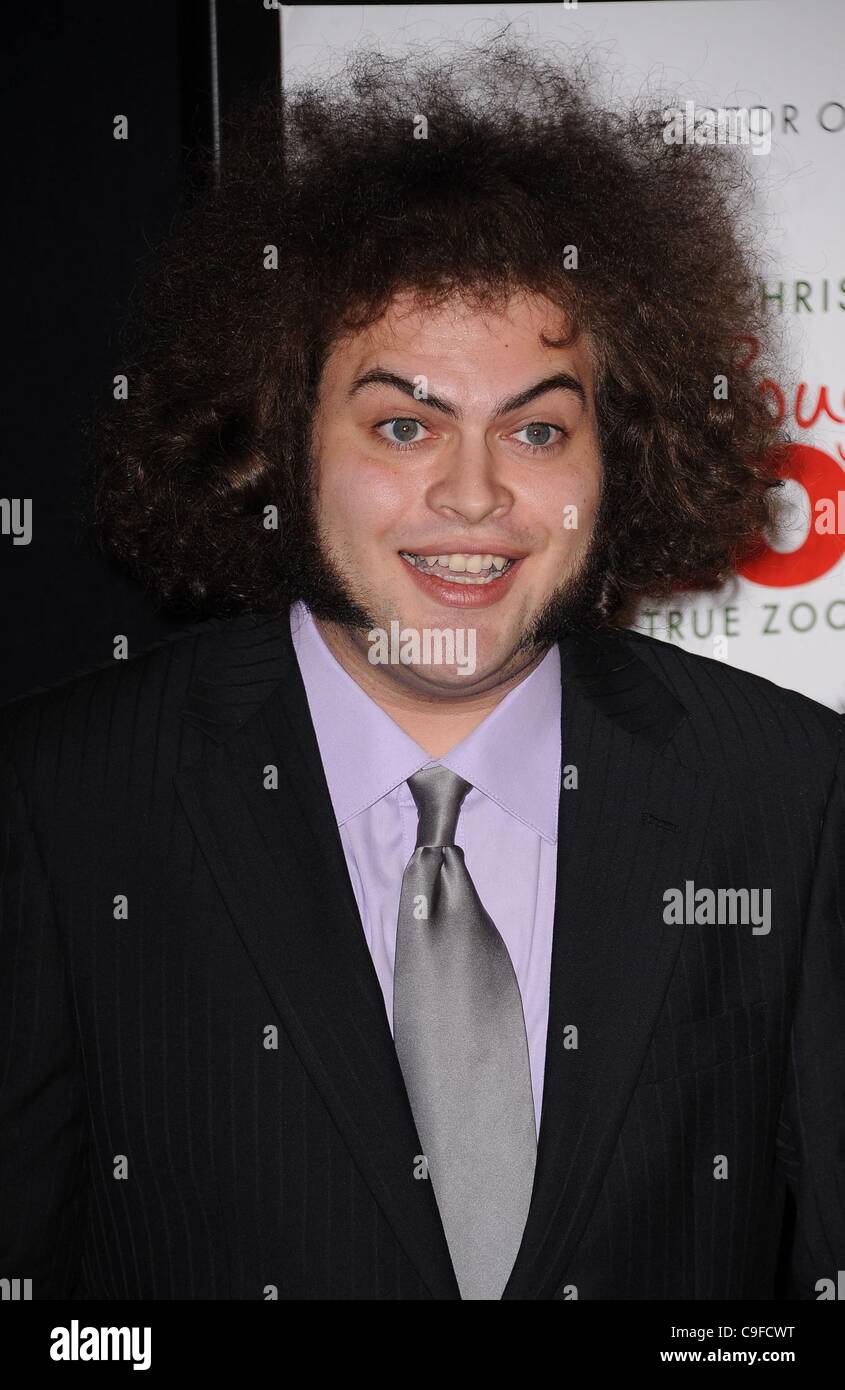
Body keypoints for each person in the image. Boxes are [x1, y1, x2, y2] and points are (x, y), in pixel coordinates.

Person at [1, 40, 842, 1301]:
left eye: (537, 429)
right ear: (278, 439)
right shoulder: (65, 801)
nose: (472, 494)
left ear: (620, 457)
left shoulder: (784, 792)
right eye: (404, 424)